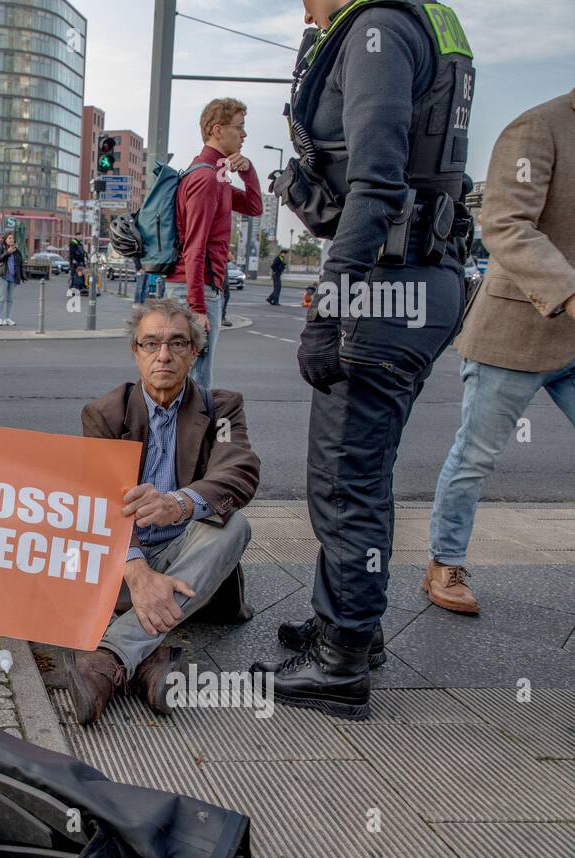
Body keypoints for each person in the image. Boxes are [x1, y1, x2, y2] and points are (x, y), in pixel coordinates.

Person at [260, 0, 476, 720]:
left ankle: (342, 663)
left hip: (389, 283)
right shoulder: (418, 20)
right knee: (359, 471)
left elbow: (378, 179)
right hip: (425, 275)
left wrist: (332, 302)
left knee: (345, 479)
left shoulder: (377, 29)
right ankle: (346, 621)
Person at [68, 298, 260, 724]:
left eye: (177, 343)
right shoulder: (104, 414)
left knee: (236, 527)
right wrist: (137, 572)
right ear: (134, 352)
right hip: (120, 564)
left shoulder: (221, 409)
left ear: (195, 351)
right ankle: (151, 660)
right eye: (150, 344)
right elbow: (99, 501)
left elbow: (240, 469)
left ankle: (110, 659)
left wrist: (178, 503)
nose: (164, 356)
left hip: (184, 555)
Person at [424, 90, 575, 614]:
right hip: (517, 328)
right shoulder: (539, 127)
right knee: (476, 456)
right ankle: (444, 562)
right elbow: (506, 225)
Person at [168, 98, 262, 389]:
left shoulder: (216, 175)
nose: (244, 135)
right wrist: (197, 307)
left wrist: (247, 171)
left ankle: (183, 434)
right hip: (197, 292)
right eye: (240, 127)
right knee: (196, 383)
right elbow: (194, 246)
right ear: (218, 130)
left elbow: (253, 206)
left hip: (203, 290)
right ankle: (184, 436)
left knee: (191, 383)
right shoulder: (207, 179)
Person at [0, 232, 24, 327]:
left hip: (13, 277)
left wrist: (22, 277)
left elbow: (20, 264)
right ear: (6, 240)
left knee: (10, 299)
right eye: (9, 238)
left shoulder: (17, 250)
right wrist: (7, 253)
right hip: (3, 276)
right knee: (2, 298)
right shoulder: (1, 248)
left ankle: (7, 318)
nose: (11, 240)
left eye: (12, 238)